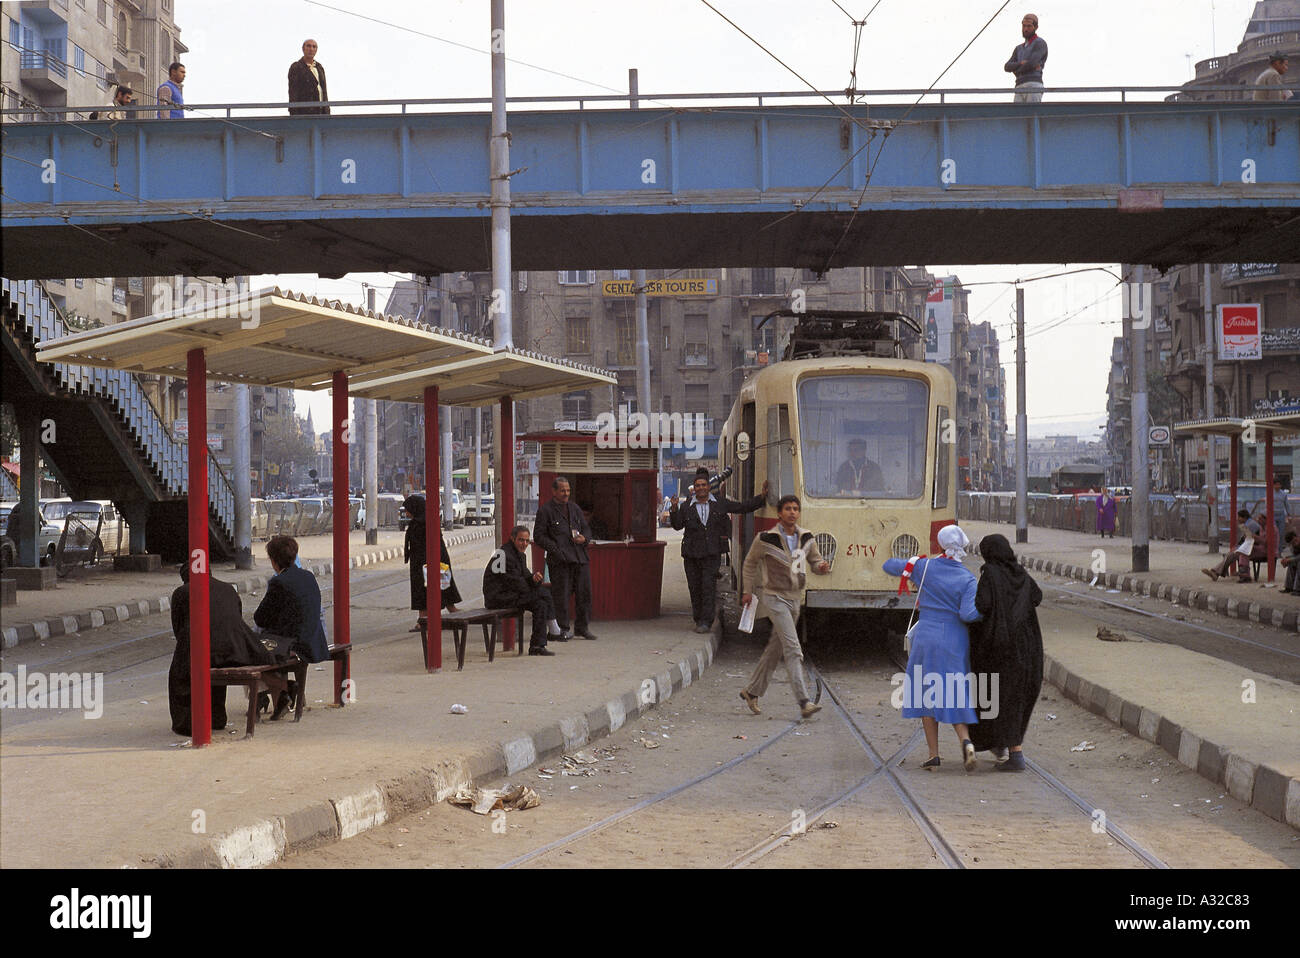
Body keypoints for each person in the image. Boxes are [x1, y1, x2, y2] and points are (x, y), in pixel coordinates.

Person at [882, 526, 982, 771]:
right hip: (954, 639)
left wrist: (913, 561)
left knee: (928, 692)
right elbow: (968, 614)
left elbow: (889, 565)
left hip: (927, 635)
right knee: (954, 690)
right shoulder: (968, 578)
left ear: (938, 545)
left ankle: (933, 755)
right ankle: (965, 741)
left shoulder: (924, 568)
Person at [738, 495, 831, 720]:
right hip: (774, 598)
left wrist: (822, 566)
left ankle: (751, 691)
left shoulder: (807, 538)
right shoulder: (766, 538)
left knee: (775, 648)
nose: (792, 512)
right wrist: (747, 591)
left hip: (794, 599)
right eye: (788, 509)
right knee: (793, 648)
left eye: (795, 509)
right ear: (779, 513)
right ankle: (804, 701)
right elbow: (750, 563)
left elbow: (816, 562)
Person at [169, 563, 276, 737]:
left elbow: (179, 628)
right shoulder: (228, 589)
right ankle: (217, 717)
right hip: (234, 652)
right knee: (215, 669)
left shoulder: (182, 592)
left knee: (180, 672)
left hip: (202, 651)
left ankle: (187, 723)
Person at [966, 535, 1043, 772]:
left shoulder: (990, 574)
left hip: (1000, 647)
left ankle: (1014, 753)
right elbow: (1037, 596)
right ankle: (1006, 747)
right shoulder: (1021, 574)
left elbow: (983, 605)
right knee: (1018, 697)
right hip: (1029, 647)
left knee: (998, 696)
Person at [671, 468, 769, 633]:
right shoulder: (687, 506)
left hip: (711, 554)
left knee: (708, 586)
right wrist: (674, 509)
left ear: (708, 487)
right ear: (694, 488)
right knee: (695, 588)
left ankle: (706, 622)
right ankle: (698, 618)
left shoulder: (720, 503)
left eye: (703, 485)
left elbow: (742, 507)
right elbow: (677, 525)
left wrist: (762, 498)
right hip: (691, 555)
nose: (701, 488)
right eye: (697, 485)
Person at [484, 526, 564, 655]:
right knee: (542, 594)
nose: (524, 544)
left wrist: (534, 578)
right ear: (512, 539)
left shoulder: (518, 555)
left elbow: (525, 577)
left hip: (511, 594)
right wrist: (534, 586)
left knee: (541, 604)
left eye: (527, 541)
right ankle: (554, 629)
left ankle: (537, 646)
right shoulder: (503, 554)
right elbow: (514, 582)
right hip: (498, 598)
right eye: (521, 540)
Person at [533, 476, 596, 640]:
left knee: (584, 594)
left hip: (580, 558)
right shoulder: (545, 511)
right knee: (561, 596)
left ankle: (582, 627)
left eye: (568, 490)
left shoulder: (574, 508)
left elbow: (586, 529)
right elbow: (538, 536)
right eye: (562, 490)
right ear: (554, 491)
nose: (565, 494)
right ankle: (562, 629)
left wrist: (585, 538)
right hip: (560, 561)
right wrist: (555, 549)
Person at [403, 493, 461, 633]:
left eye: (408, 509)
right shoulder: (424, 521)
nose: (406, 512)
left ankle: (425, 619)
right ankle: (449, 612)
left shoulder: (420, 524)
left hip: (425, 563)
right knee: (441, 585)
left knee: (425, 588)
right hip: (431, 560)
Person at [1203, 510, 1263, 583]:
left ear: (1244, 517)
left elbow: (1249, 538)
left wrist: (1239, 546)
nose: (1238, 519)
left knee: (1231, 555)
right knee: (1230, 554)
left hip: (1252, 548)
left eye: (1239, 517)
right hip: (1248, 546)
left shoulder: (1251, 524)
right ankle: (1215, 572)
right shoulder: (1249, 523)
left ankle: (1215, 572)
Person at [1004, 13, 1047, 104]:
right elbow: (1007, 66)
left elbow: (1032, 63)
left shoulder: (1039, 43)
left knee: (1031, 114)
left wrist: (1016, 70)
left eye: (1029, 26)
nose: (1026, 29)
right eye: (1024, 26)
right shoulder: (1018, 48)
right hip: (1019, 85)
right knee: (1018, 116)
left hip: (1033, 83)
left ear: (1036, 27)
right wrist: (1020, 64)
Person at [288, 39, 330, 115]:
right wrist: (294, 113)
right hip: (304, 112)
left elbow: (324, 90)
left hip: (321, 111)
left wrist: (327, 111)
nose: (311, 49)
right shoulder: (296, 67)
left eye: (314, 47)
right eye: (308, 46)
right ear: (303, 49)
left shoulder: (319, 67)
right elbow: (293, 92)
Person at [1280, 530, 1300, 594]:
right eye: (1292, 543)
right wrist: (1286, 560)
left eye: (1295, 541)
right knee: (1291, 563)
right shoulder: (1293, 547)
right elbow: (1294, 556)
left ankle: (1298, 589)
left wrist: (1290, 560)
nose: (1295, 544)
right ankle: (1289, 587)